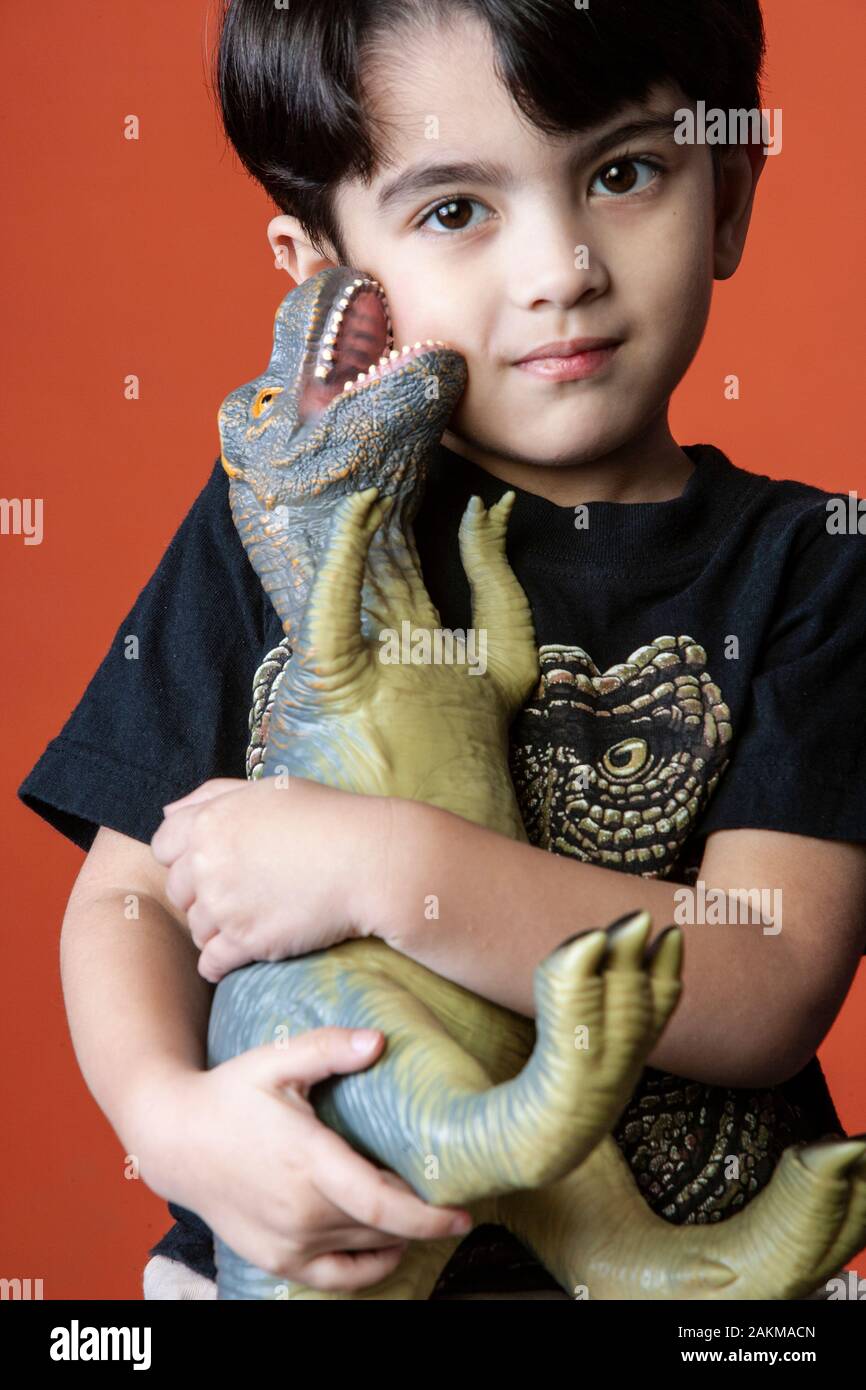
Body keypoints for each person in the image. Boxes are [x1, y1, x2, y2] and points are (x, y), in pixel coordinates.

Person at [19, 0, 866, 1301]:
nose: (560, 267)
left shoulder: (816, 562)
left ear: (731, 194)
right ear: (323, 271)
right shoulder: (287, 512)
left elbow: (762, 982)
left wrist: (394, 867)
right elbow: (127, 894)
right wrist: (170, 1119)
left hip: (700, 1284)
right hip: (315, 1262)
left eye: (621, 172)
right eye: (456, 211)